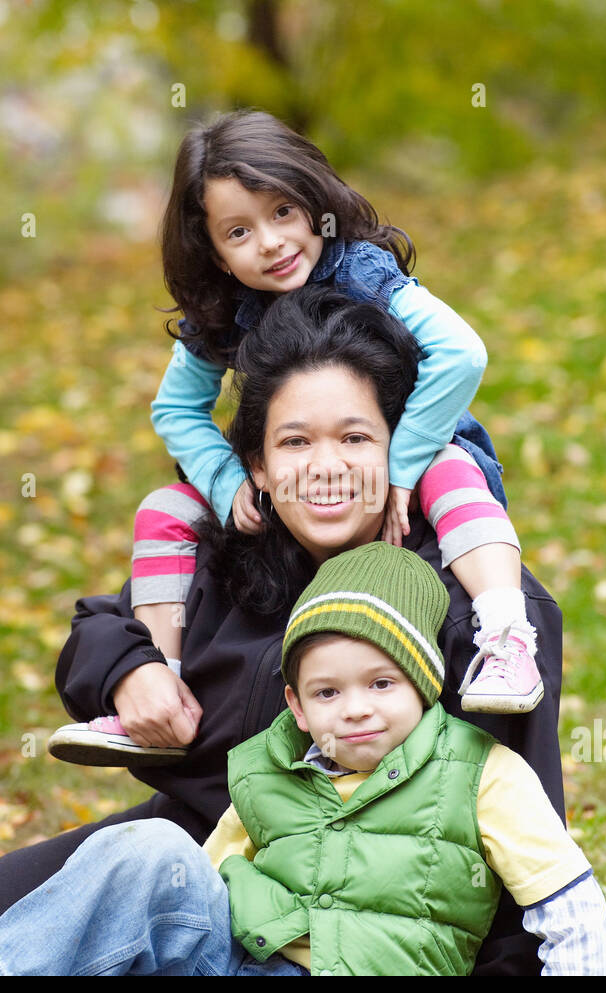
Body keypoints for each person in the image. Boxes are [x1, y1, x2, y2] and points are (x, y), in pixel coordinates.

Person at [0, 287, 566, 976]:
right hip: (199, 842)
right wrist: (133, 668)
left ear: (400, 450)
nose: (326, 466)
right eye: (295, 441)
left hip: (365, 900)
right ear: (259, 468)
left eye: (356, 437)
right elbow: (97, 626)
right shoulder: (228, 553)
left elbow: (524, 825)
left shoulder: (468, 600)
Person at [109, 107, 540, 769]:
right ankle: (161, 676)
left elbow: (462, 352)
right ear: (215, 253)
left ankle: (506, 636)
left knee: (450, 470)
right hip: (297, 484)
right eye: (239, 232)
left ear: (313, 202)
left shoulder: (361, 272)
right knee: (163, 509)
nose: (272, 243)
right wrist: (228, 483)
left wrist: (402, 463)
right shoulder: (223, 313)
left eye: (283, 213)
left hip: (408, 449)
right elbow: (175, 408)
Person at [0, 543, 606, 976]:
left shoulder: (482, 775)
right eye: (329, 692)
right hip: (244, 959)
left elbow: (570, 908)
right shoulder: (265, 769)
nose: (356, 708)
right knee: (147, 847)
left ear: (424, 686)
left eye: (382, 684)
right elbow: (200, 881)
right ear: (298, 706)